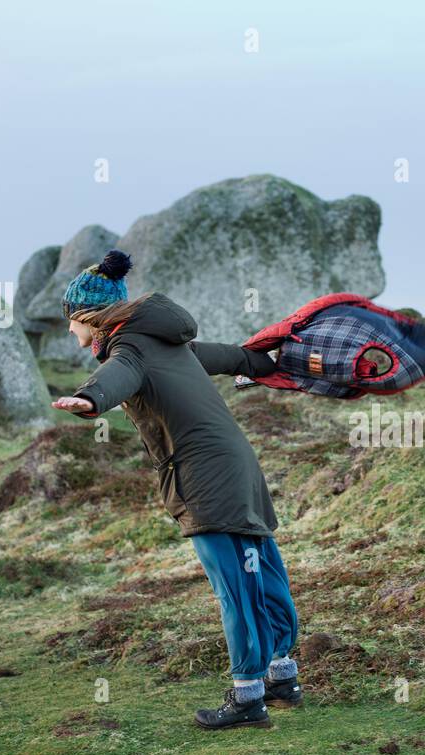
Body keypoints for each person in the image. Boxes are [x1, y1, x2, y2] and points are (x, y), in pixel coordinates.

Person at [52, 251, 301, 730]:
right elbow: (233, 357)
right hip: (238, 467)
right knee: (262, 570)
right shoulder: (172, 344)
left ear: (88, 318)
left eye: (71, 321)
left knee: (235, 586)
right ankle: (281, 676)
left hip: (206, 477)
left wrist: (89, 399)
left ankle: (248, 697)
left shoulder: (131, 349)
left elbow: (116, 377)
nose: (69, 332)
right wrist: (267, 363)